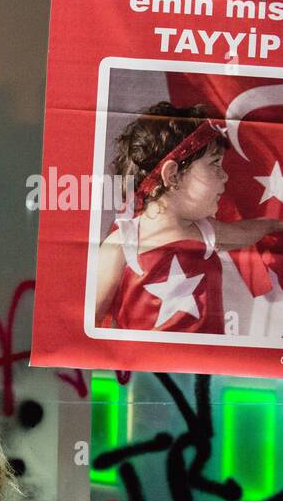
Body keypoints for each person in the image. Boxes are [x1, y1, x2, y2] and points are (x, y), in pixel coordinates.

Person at [95, 102, 283, 332]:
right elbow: (88, 322)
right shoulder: (123, 243)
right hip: (149, 367)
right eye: (215, 163)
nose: (225, 176)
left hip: (207, 365)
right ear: (172, 175)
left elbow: (246, 233)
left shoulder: (205, 231)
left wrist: (276, 223)